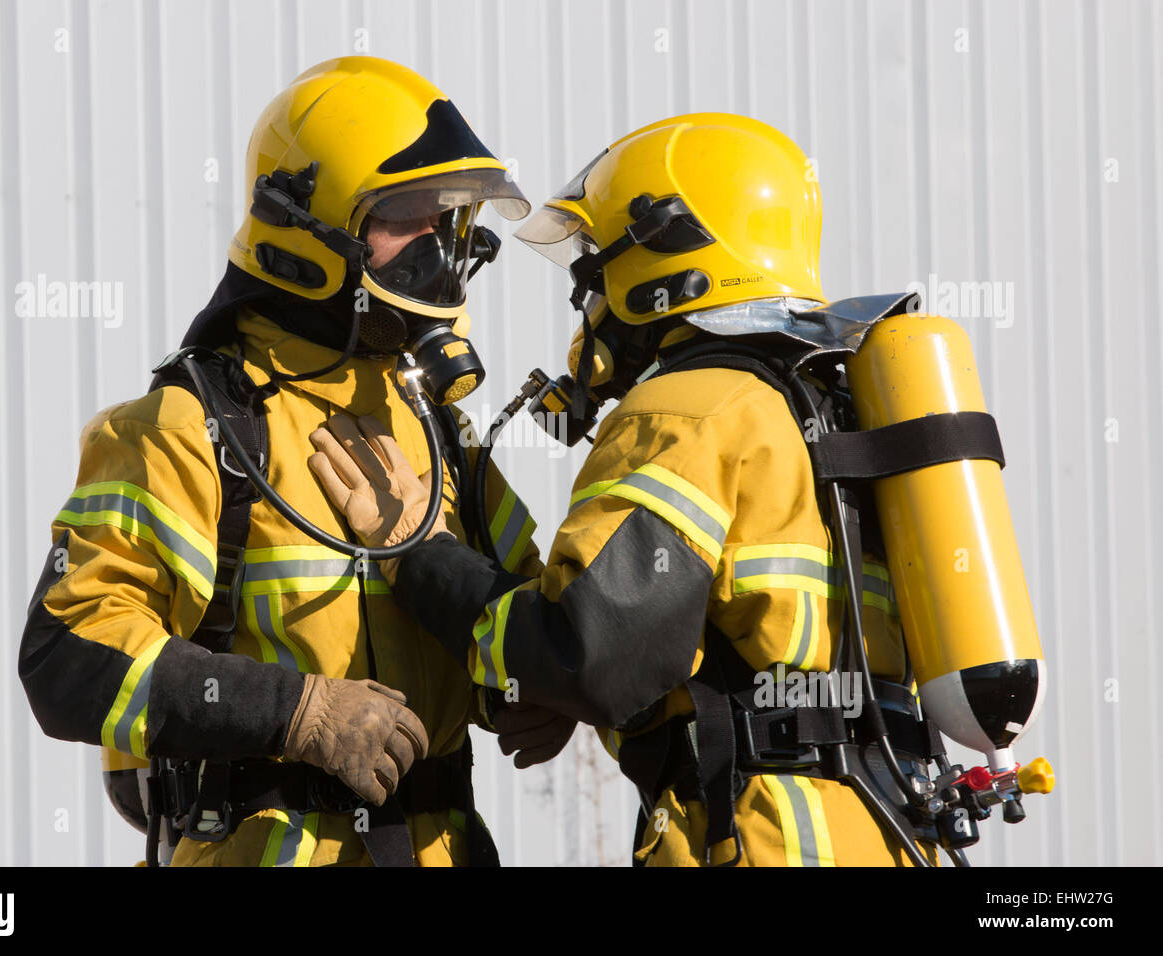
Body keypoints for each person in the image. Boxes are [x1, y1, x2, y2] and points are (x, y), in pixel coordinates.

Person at [309, 112, 949, 867]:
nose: (590, 304)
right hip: (886, 829)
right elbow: (734, 651)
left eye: (594, 271)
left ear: (667, 257)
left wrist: (417, 550)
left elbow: (586, 653)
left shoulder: (687, 411)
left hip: (759, 836)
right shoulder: (825, 411)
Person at [18, 55, 542, 867]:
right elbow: (66, 656)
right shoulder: (186, 427)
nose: (437, 246)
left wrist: (533, 692)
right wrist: (296, 713)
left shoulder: (436, 431)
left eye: (449, 219)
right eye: (407, 214)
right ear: (307, 226)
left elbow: (529, 624)